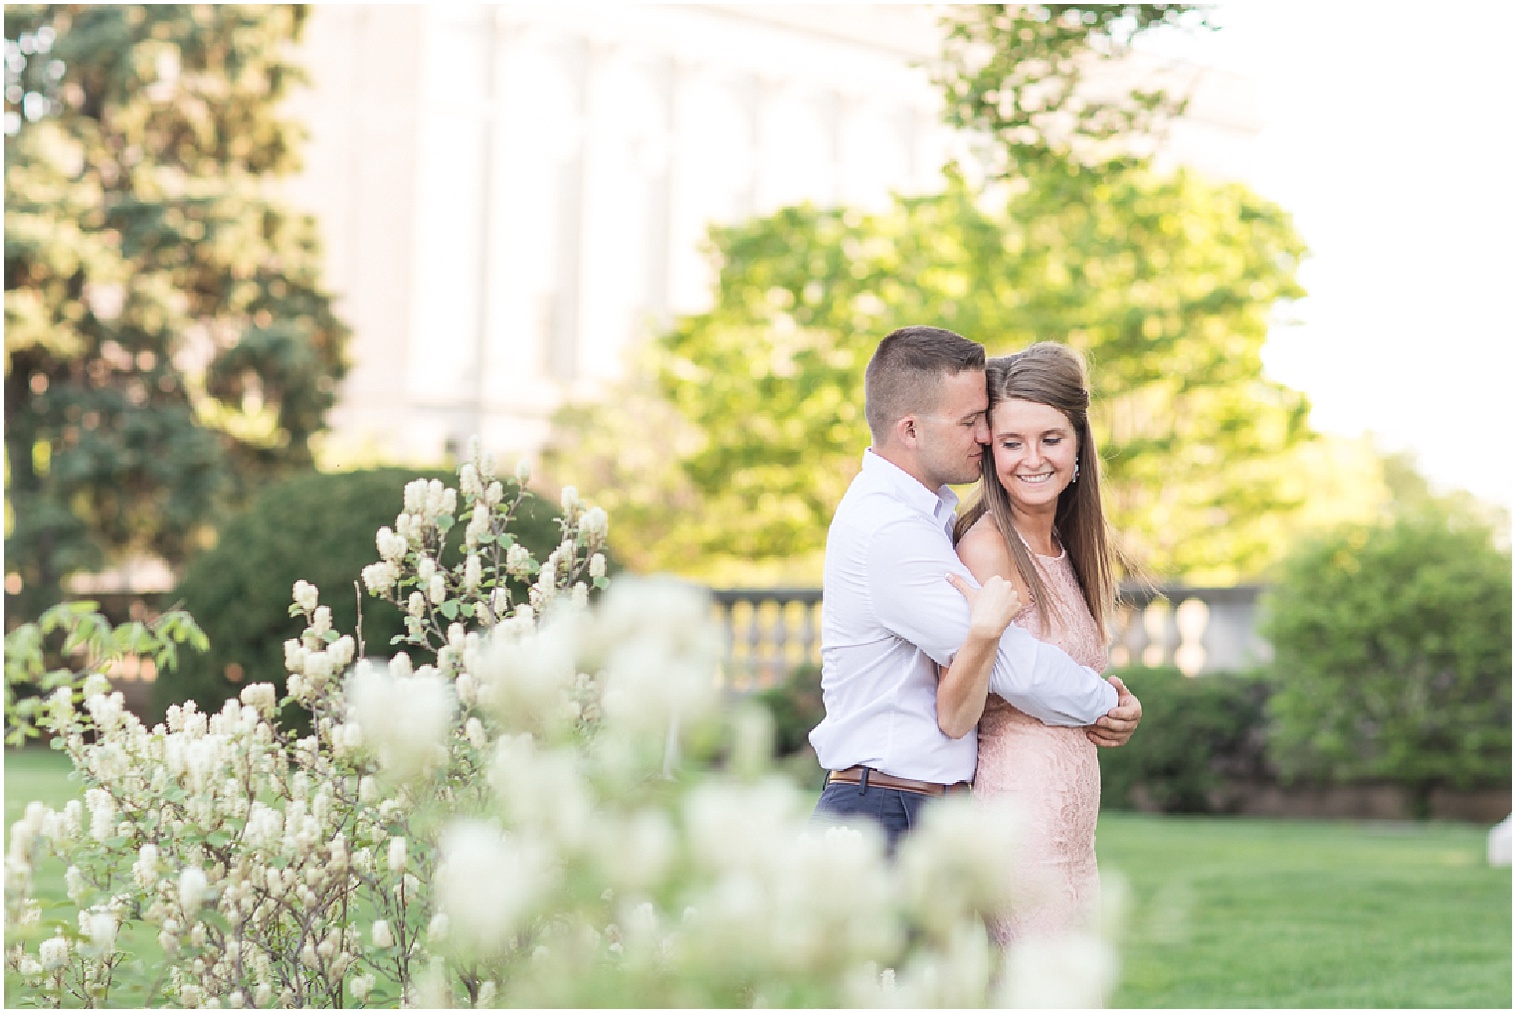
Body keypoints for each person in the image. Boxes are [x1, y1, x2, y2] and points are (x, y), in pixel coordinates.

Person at [808, 326, 1141, 854]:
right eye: (971, 423)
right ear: (911, 430)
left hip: (918, 808)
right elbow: (1007, 662)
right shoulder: (891, 531)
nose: (984, 438)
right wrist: (1108, 703)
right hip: (885, 813)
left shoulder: (923, 515)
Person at [952, 342, 1126, 945]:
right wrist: (1107, 704)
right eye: (1011, 442)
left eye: (1050, 438)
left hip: (1073, 836)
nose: (1032, 459)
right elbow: (1018, 676)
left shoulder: (1065, 547)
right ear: (989, 449)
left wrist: (1119, 707)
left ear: (1079, 444)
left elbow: (1065, 674)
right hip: (1019, 822)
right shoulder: (988, 545)